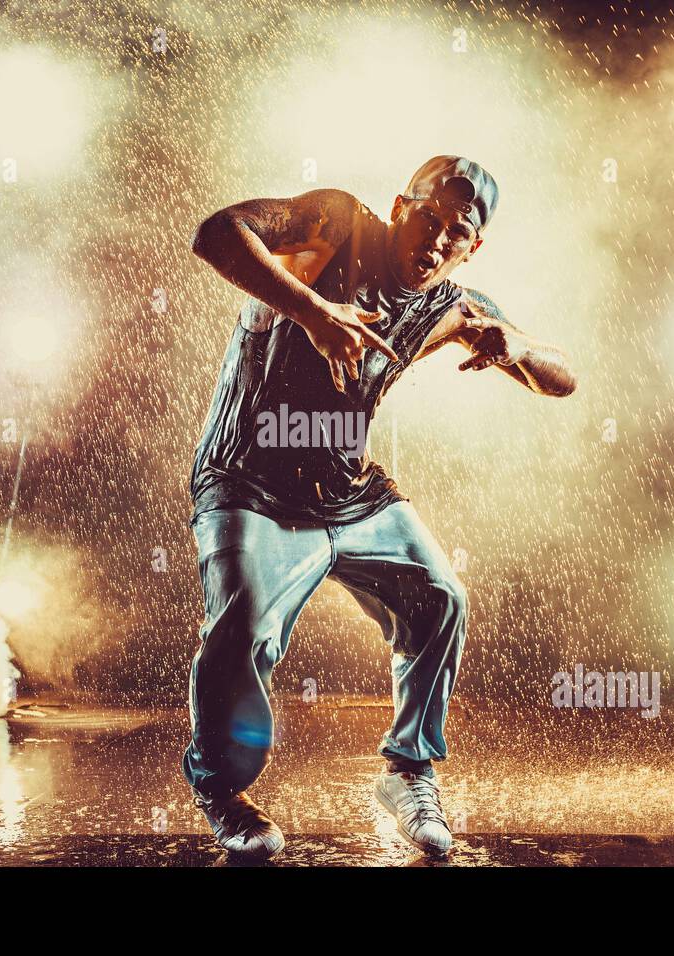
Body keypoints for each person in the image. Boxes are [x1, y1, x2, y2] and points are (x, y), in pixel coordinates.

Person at [183, 155, 577, 860]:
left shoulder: (454, 306)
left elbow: (562, 379)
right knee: (243, 627)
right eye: (428, 217)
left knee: (441, 596)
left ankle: (408, 771)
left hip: (349, 491)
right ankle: (223, 790)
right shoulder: (335, 225)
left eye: (456, 233)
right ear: (401, 206)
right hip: (248, 479)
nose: (435, 240)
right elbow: (216, 233)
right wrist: (313, 312)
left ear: (472, 246)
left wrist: (515, 345)